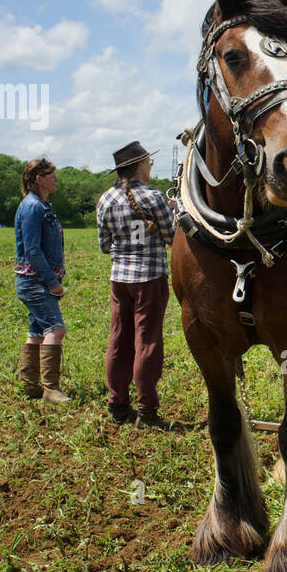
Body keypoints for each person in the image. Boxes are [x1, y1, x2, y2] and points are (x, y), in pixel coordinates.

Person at [97, 141, 177, 428]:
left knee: (118, 338)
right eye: (149, 163)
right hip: (150, 278)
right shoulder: (154, 198)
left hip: (119, 278)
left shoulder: (105, 199)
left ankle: (118, 405)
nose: (150, 167)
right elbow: (172, 238)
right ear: (140, 165)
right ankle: (146, 410)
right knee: (148, 340)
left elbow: (105, 246)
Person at [15, 158, 69, 402]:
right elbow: (33, 251)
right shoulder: (32, 208)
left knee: (36, 333)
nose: (56, 179)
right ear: (38, 178)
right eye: (51, 175)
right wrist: (52, 282)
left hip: (36, 281)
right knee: (56, 330)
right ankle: (50, 389)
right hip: (35, 282)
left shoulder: (42, 206)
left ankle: (30, 387)